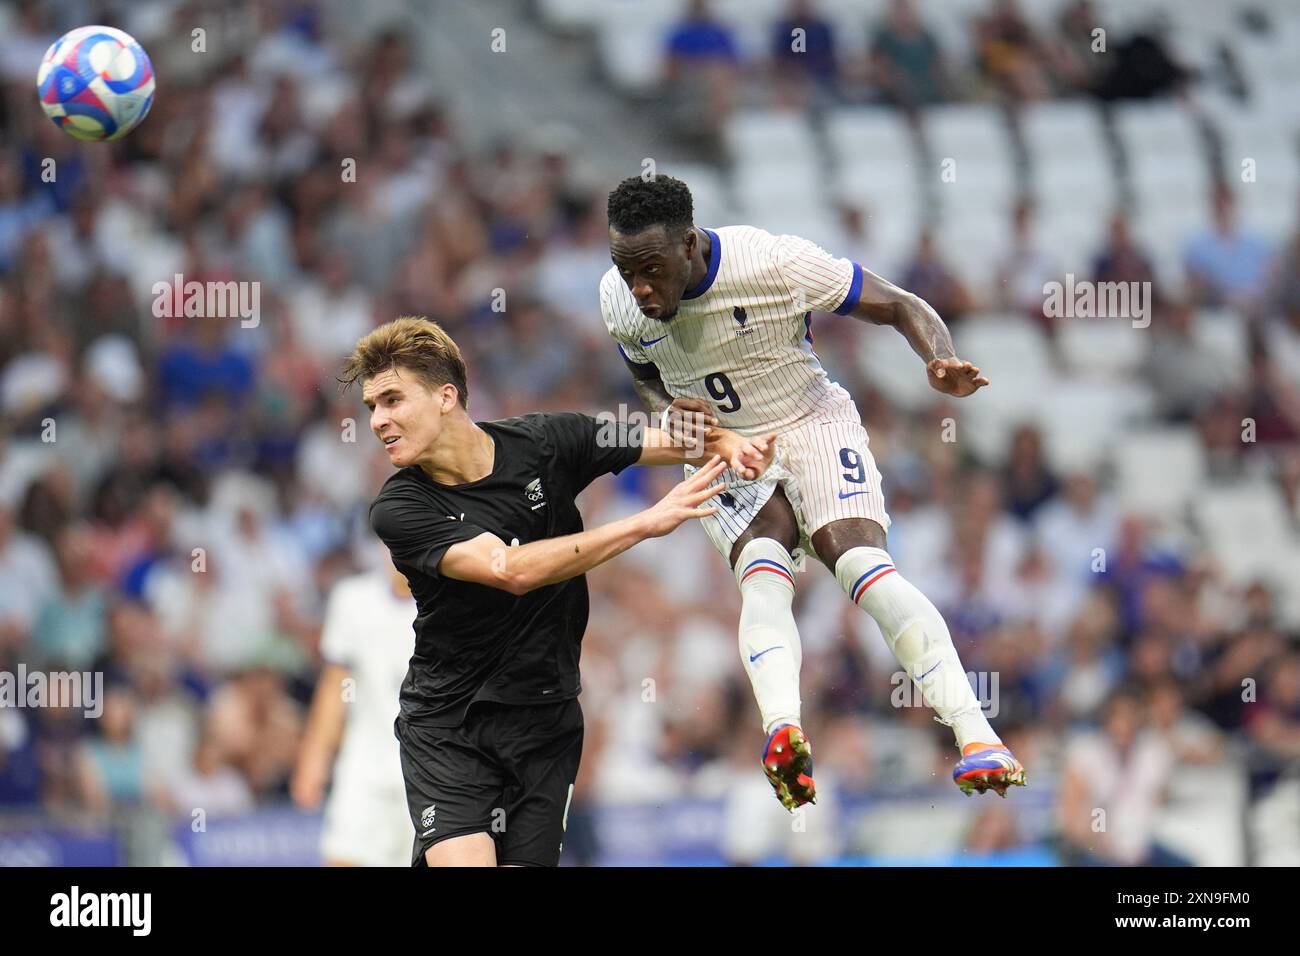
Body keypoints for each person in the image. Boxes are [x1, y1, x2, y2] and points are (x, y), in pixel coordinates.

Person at [600, 174, 1025, 811]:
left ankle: (977, 736)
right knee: (764, 569)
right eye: (626, 270)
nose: (638, 287)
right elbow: (647, 379)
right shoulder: (617, 298)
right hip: (724, 445)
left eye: (651, 270)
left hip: (812, 422)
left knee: (860, 565)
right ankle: (783, 733)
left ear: (688, 245)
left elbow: (898, 303)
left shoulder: (773, 262)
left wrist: (937, 358)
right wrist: (673, 415)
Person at [341, 316, 771, 867]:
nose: (377, 420)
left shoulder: (547, 440)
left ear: (445, 396)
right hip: (449, 727)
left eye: (392, 400)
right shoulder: (400, 508)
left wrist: (732, 444)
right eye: (372, 406)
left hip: (545, 720)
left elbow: (667, 441)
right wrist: (645, 523)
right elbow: (510, 569)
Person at [291, 550, 417, 867]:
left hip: (430, 774)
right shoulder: (352, 600)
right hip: (363, 768)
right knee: (344, 858)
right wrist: (314, 757)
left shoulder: (453, 605)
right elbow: (336, 686)